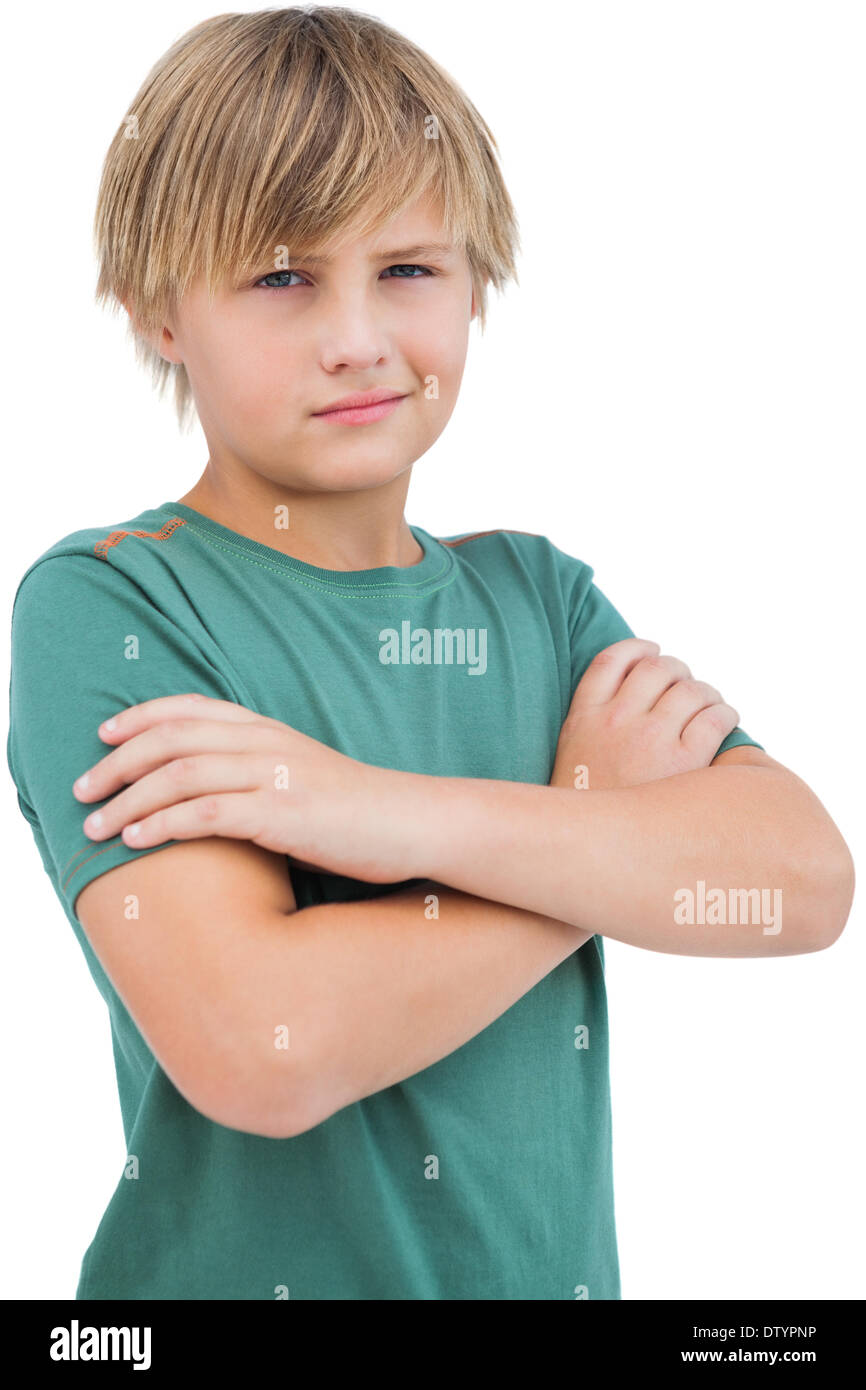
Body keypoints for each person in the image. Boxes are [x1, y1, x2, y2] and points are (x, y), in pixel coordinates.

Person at [6, 6, 853, 1301]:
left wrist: (367, 810)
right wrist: (587, 831)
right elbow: (263, 1049)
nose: (357, 336)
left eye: (407, 269)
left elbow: (795, 887)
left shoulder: (539, 599)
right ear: (156, 313)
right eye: (282, 277)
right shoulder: (116, 601)